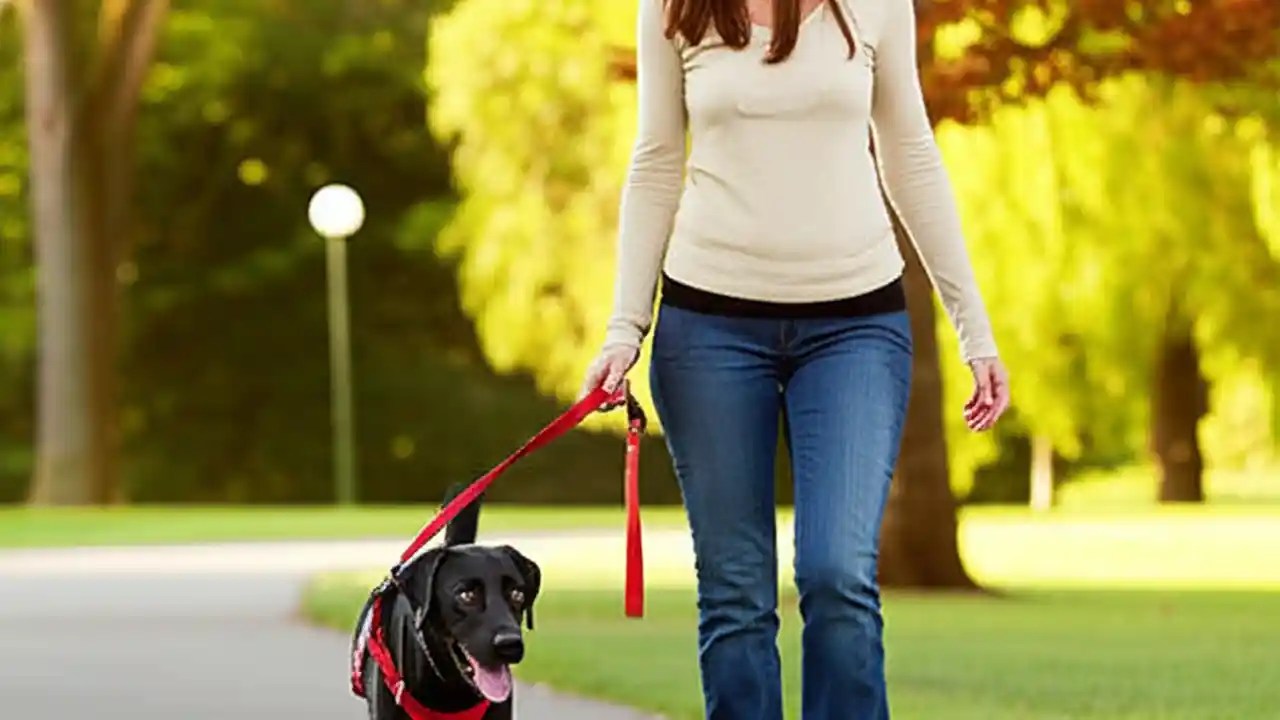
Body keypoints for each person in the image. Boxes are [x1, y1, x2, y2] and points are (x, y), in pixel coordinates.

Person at [579, 0, 1010, 717]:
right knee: (735, 588)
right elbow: (656, 160)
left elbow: (909, 153)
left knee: (836, 572)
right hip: (708, 328)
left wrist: (975, 329)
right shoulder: (673, 8)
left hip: (856, 328)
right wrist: (625, 327)